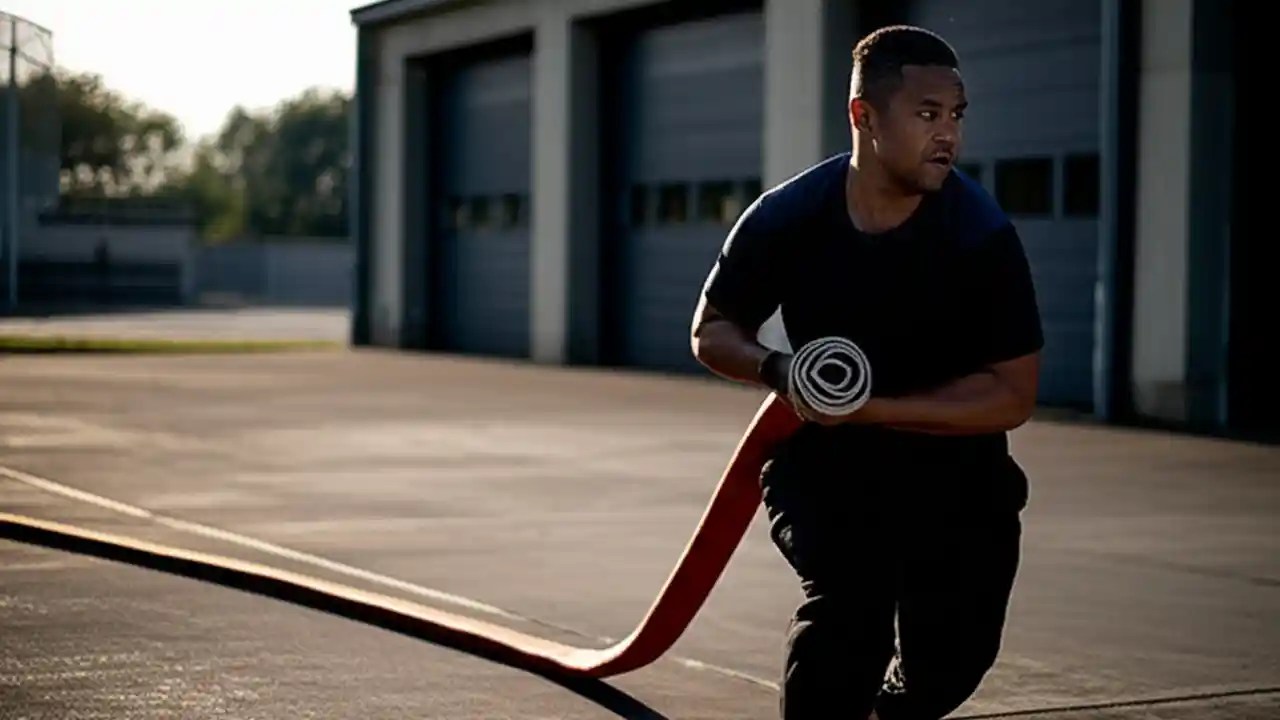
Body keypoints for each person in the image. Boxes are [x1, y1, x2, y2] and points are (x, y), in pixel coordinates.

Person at [689, 25, 1044, 720]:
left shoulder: (980, 235)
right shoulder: (788, 217)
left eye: (956, 115)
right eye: (926, 114)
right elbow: (712, 330)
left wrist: (874, 407)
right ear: (863, 116)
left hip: (959, 479)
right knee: (848, 615)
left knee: (950, 664)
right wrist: (780, 369)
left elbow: (1012, 393)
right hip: (830, 470)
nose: (948, 135)